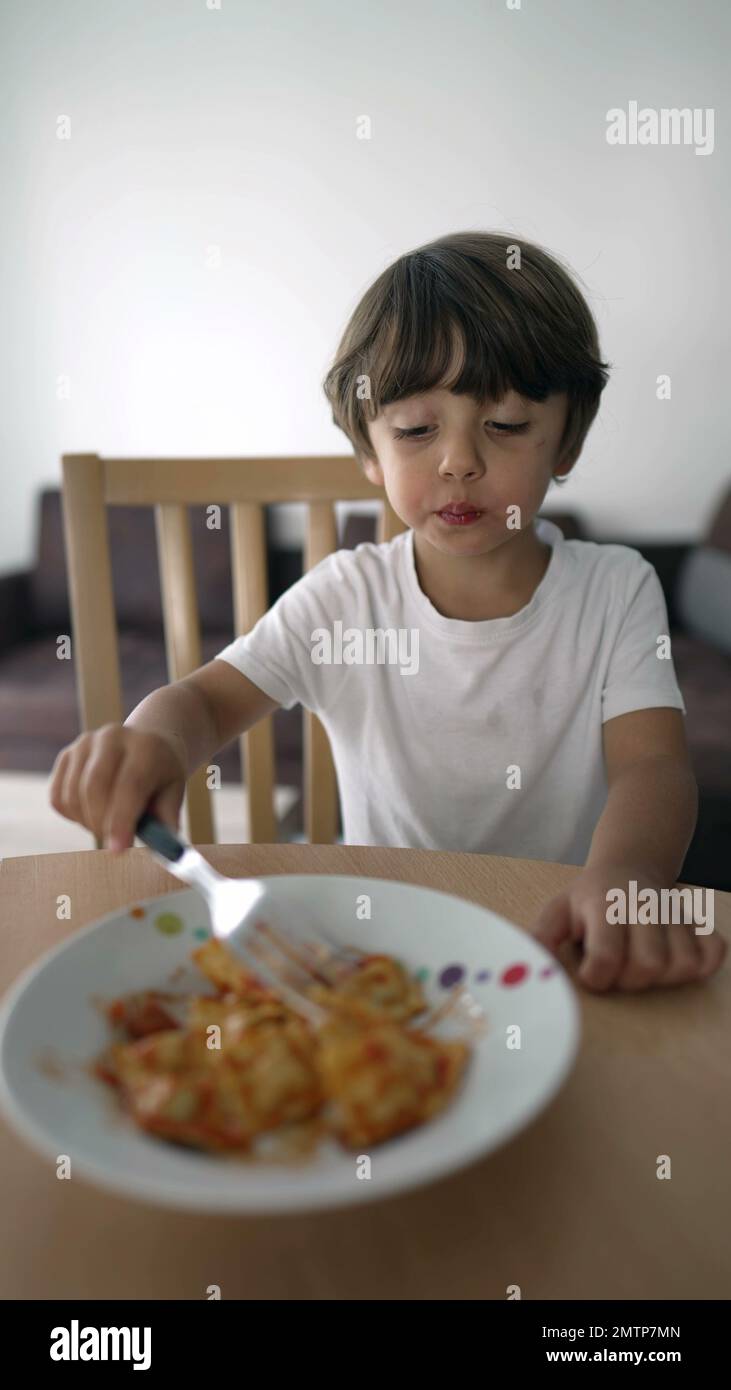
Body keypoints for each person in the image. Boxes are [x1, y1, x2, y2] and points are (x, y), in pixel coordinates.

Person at [49, 230, 726, 993]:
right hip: (380, 952)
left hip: (558, 945)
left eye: (504, 425)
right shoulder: (346, 597)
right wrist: (154, 743)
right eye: (414, 429)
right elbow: (204, 701)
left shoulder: (615, 589)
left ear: (565, 439)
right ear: (369, 451)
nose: (458, 461)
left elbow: (652, 764)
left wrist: (627, 874)